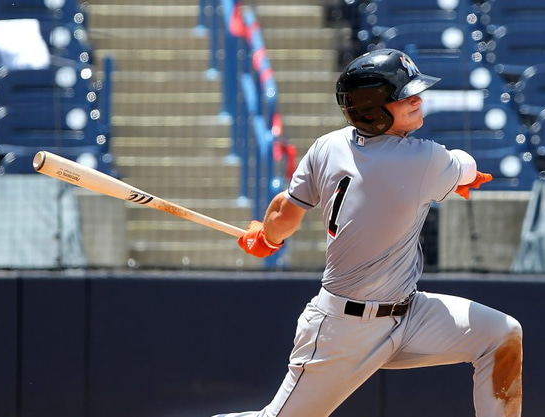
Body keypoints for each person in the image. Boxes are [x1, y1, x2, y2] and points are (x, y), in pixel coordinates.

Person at [212, 48, 523, 417]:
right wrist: (455, 178)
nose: (417, 100)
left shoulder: (328, 145)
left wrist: (266, 237)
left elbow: (284, 211)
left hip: (409, 315)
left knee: (501, 334)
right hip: (344, 330)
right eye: (403, 97)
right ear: (372, 110)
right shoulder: (423, 160)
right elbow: (468, 166)